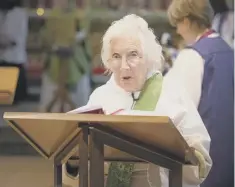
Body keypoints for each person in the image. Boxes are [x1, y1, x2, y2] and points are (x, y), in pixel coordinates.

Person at [63, 14, 212, 187]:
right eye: (117, 56)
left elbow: (200, 158)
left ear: (149, 58)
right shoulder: (100, 96)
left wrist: (179, 152)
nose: (124, 66)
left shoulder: (172, 94)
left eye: (133, 55)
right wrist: (74, 159)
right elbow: (77, 165)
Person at [167, 0, 234, 187]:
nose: (178, 31)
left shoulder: (192, 56)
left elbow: (176, 113)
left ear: (187, 21)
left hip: (201, 165)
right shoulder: (228, 52)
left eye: (178, 24)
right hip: (228, 161)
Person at [0, 0, 28, 104]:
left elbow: (17, 37)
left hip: (14, 59)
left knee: (14, 100)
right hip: (2, 59)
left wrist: (6, 42)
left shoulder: (19, 13)